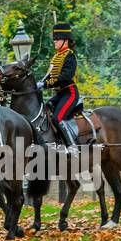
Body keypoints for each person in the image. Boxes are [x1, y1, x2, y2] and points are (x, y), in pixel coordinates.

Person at [43, 20, 80, 154]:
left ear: (65, 40)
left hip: (70, 93)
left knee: (57, 118)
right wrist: (40, 83)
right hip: (59, 94)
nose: (54, 42)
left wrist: (46, 84)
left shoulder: (70, 56)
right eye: (54, 39)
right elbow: (49, 75)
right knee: (44, 111)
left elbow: (65, 77)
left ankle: (71, 146)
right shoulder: (56, 57)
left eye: (57, 39)